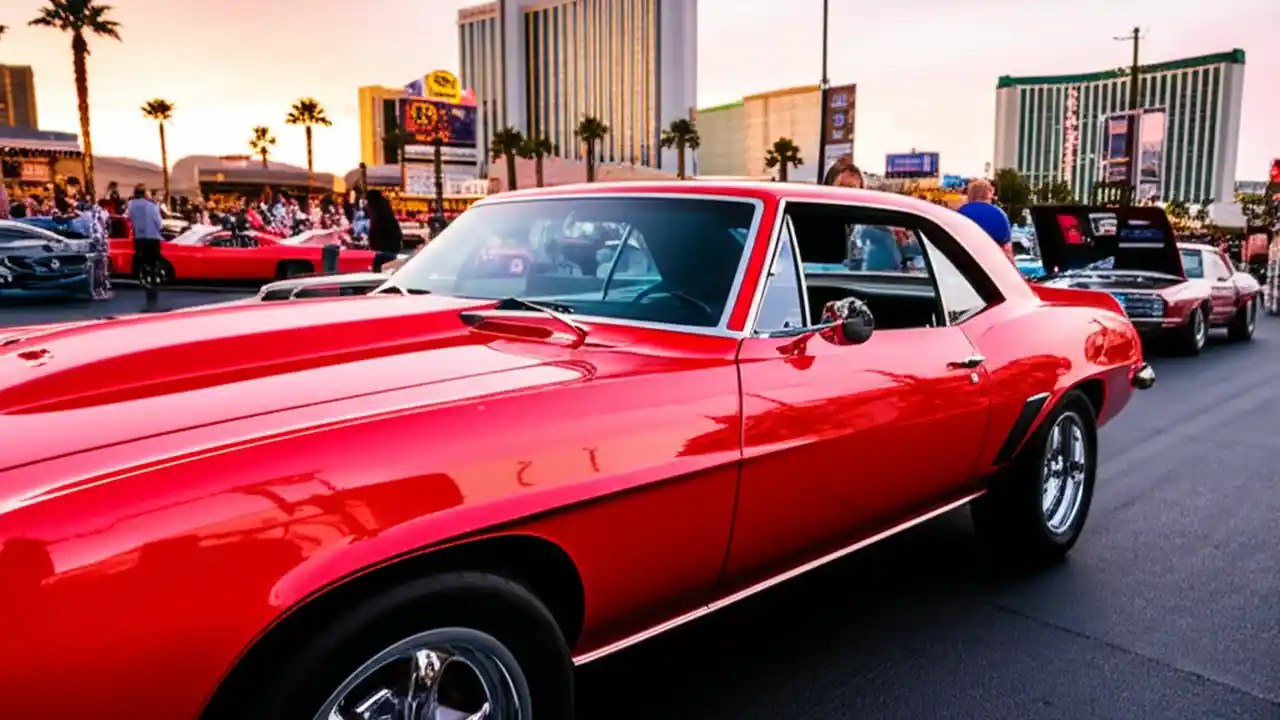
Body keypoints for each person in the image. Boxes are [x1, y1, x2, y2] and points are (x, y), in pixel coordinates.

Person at [127, 183, 165, 309]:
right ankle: (152, 280)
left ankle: (142, 278)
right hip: (152, 236)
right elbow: (158, 222)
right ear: (145, 193)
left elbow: (129, 218)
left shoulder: (131, 204)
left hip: (139, 236)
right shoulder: (152, 205)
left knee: (141, 258)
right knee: (153, 260)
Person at [957, 179, 1013, 260]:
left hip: (965, 260)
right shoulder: (1000, 215)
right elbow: (1007, 249)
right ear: (990, 193)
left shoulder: (961, 212)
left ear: (970, 194)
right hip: (991, 262)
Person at [364, 190, 403, 272]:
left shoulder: (376, 206)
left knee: (382, 268)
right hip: (390, 245)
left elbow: (376, 229)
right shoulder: (383, 204)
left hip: (383, 246)